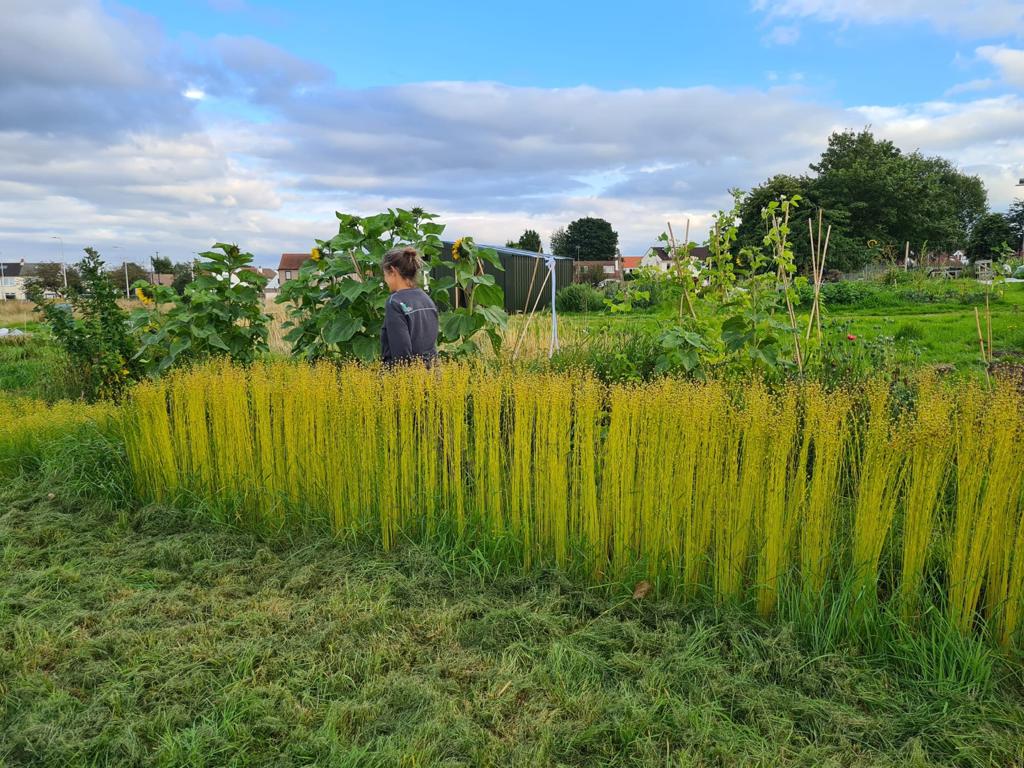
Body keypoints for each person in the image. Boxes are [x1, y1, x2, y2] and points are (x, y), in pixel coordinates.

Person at [380, 246, 439, 366]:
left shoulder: (395, 302)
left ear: (393, 271)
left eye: (385, 275)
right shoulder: (426, 299)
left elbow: (401, 352)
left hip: (405, 379)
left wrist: (405, 380)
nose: (385, 280)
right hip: (431, 374)